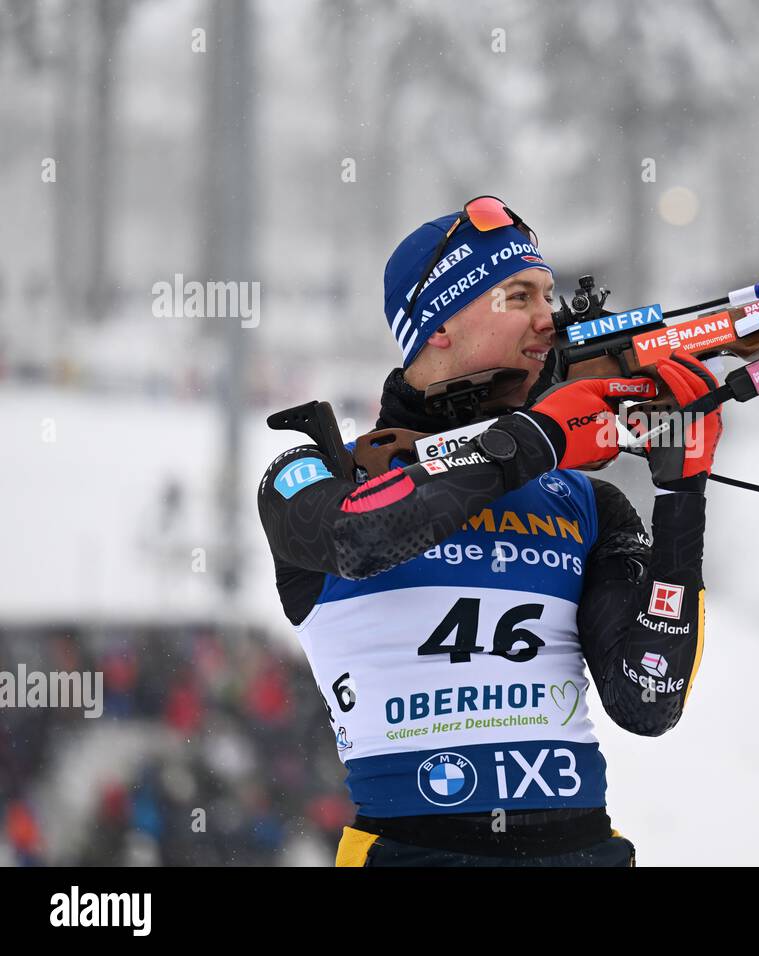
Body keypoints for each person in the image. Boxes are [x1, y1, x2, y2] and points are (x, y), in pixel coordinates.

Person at [256, 197, 723, 866]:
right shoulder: (318, 469)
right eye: (519, 295)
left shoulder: (585, 501)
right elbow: (360, 540)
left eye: (550, 294)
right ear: (439, 323)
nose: (546, 319)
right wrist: (535, 436)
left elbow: (649, 699)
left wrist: (681, 496)